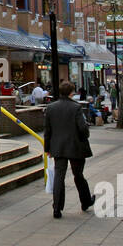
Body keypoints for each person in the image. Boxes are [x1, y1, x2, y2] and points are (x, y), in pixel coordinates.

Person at [43, 81, 92, 218]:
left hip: (58, 147)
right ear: (72, 92)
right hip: (75, 146)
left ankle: (57, 208)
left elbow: (47, 131)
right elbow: (83, 128)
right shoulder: (76, 107)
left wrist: (47, 148)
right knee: (78, 175)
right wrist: (85, 134)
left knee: (59, 176)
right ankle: (85, 201)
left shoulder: (51, 107)